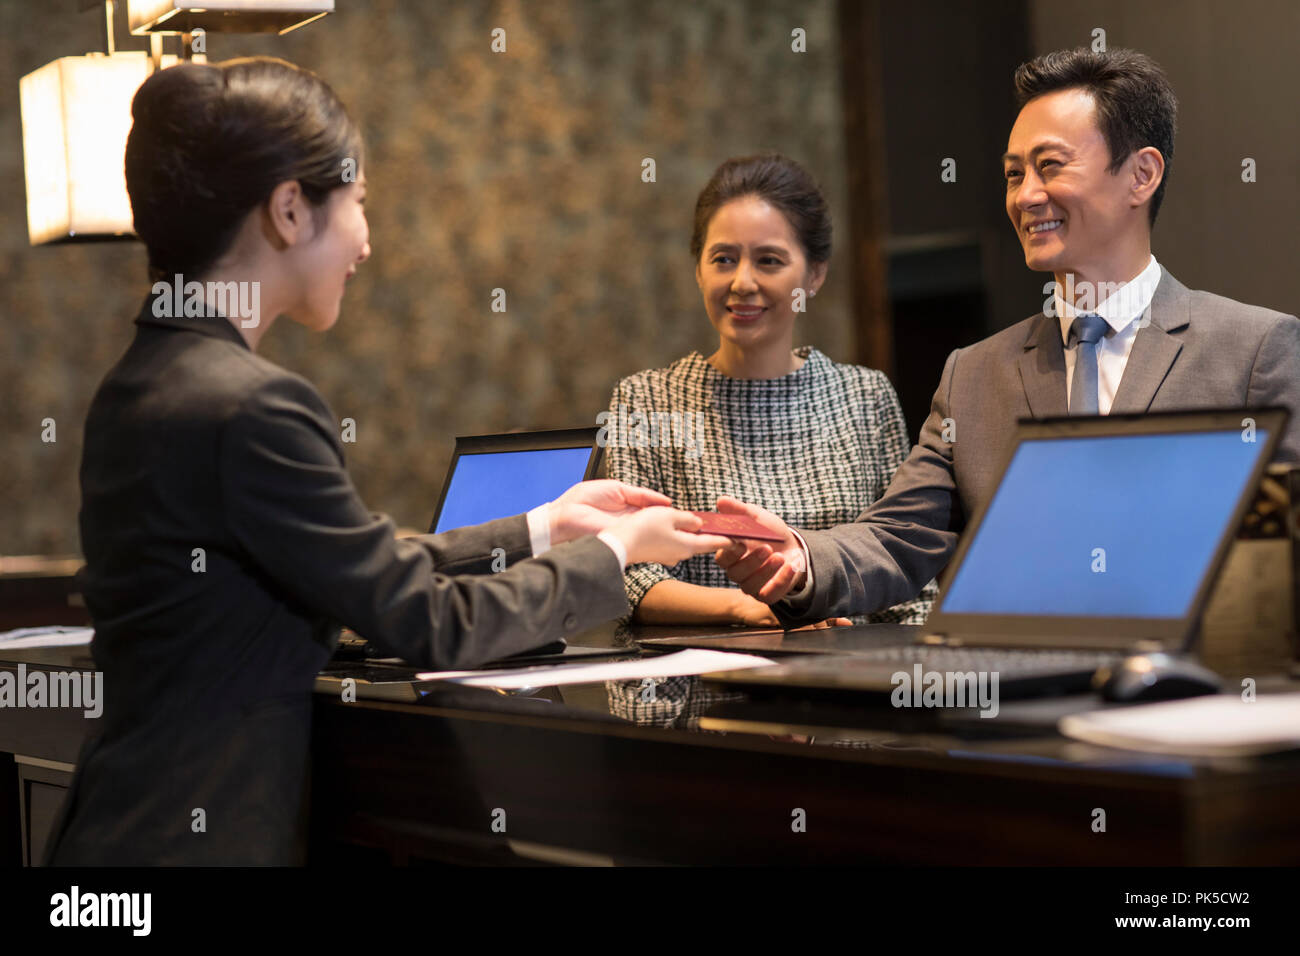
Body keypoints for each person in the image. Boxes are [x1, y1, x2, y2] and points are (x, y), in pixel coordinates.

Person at [44, 57, 731, 866]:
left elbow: (339, 565)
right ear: (290, 211)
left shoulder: (142, 379)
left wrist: (545, 526)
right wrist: (611, 555)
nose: (366, 244)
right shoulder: (253, 405)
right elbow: (430, 624)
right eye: (360, 205)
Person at [712, 47, 1300, 624]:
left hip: (1198, 700)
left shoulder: (1254, 350)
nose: (1025, 196)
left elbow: (1283, 558)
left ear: (1141, 175)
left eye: (1050, 166)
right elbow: (899, 537)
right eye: (1014, 174)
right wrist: (801, 558)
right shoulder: (973, 373)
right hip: (1017, 701)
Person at [604, 153, 936, 627]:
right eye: (723, 259)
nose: (742, 282)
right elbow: (629, 574)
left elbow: (907, 570)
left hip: (852, 679)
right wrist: (752, 609)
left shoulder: (866, 397)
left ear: (814, 274)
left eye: (769, 260)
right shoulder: (647, 401)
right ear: (699, 269)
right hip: (700, 682)